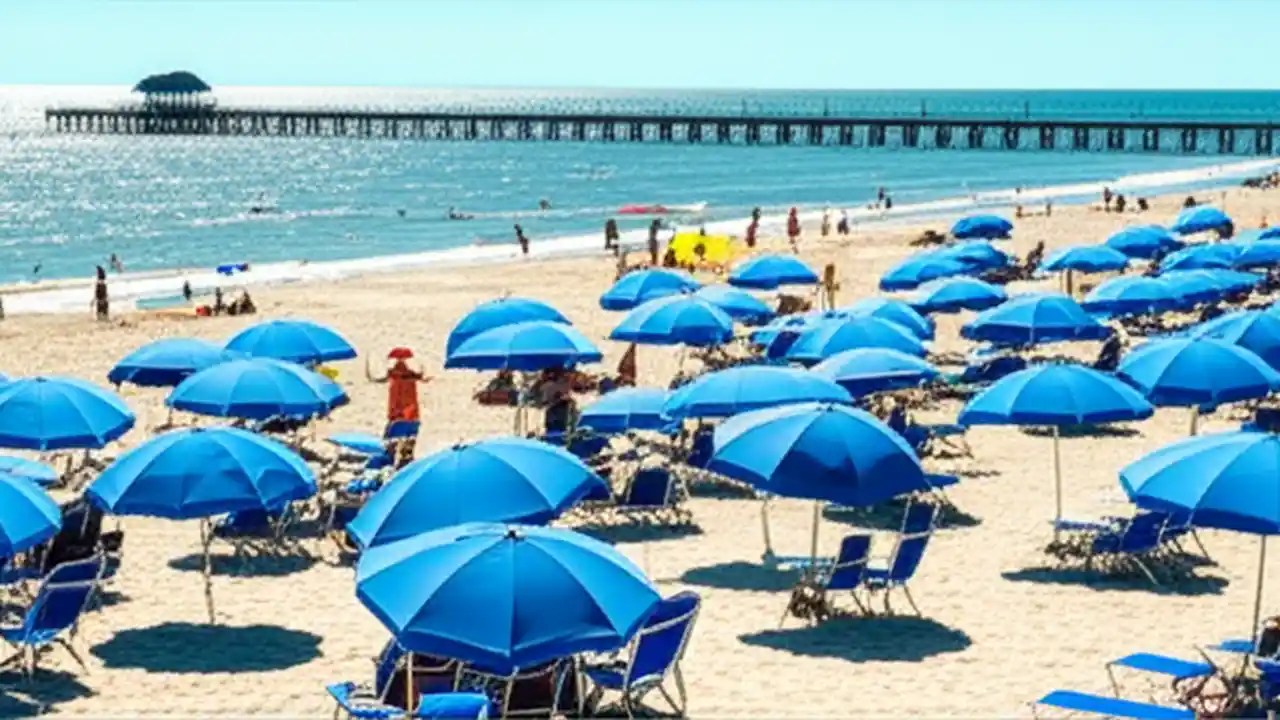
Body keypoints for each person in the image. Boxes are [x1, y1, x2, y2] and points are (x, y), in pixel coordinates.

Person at [367, 348, 433, 462]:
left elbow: (375, 378)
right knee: (408, 449)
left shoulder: (393, 375)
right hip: (412, 415)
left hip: (396, 415)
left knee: (389, 447)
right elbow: (424, 378)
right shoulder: (411, 376)